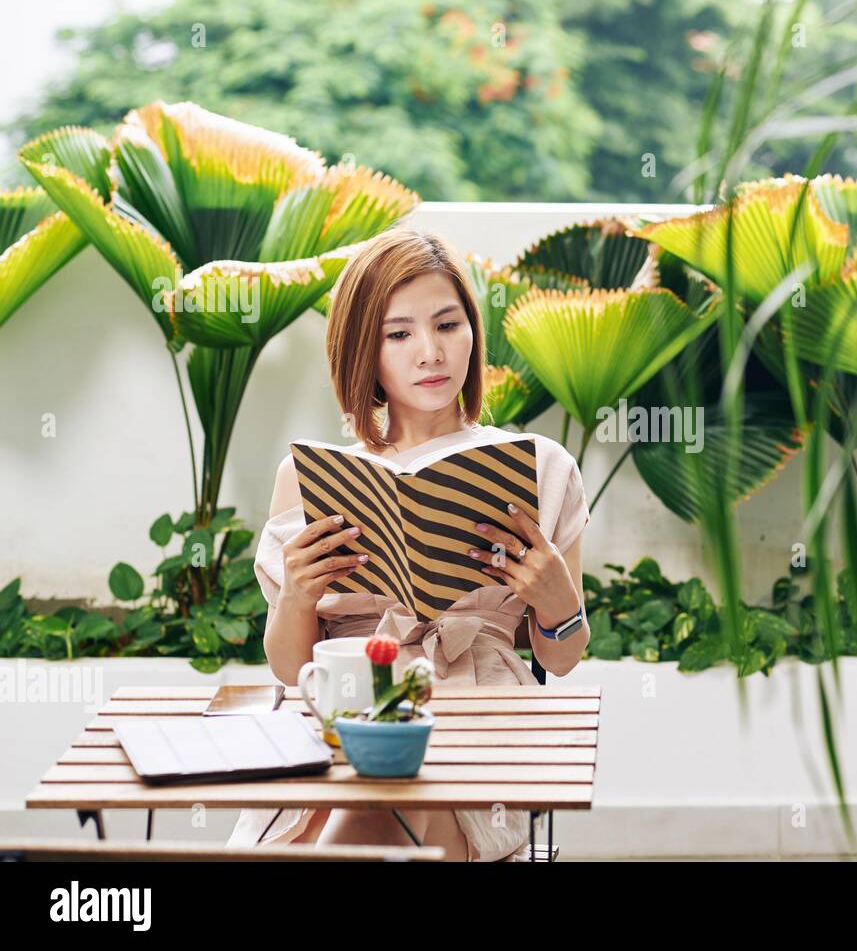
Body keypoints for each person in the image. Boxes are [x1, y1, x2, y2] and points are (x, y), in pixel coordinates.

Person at [225, 228, 591, 860]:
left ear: (473, 334)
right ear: (363, 349)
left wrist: (558, 603)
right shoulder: (308, 479)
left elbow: (560, 661)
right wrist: (298, 597)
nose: (431, 352)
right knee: (337, 824)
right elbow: (290, 669)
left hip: (477, 715)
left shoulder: (541, 467)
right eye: (399, 334)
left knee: (381, 821)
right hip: (345, 715)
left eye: (448, 325)